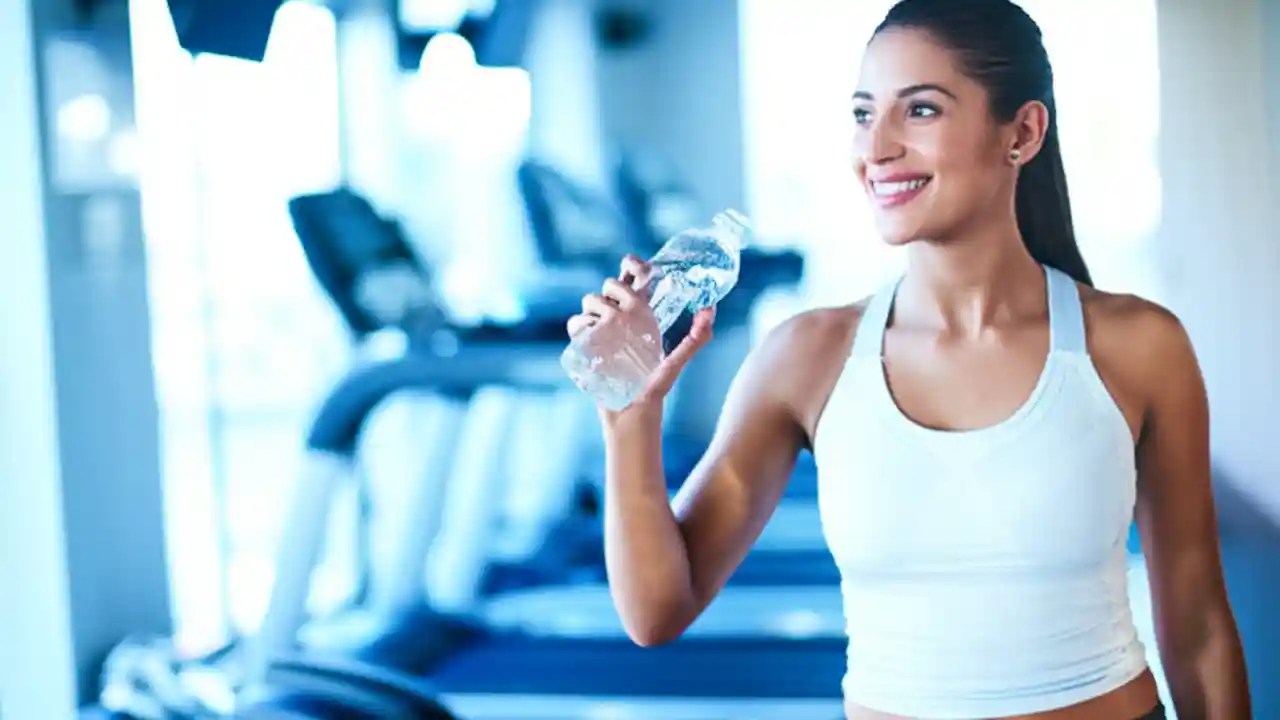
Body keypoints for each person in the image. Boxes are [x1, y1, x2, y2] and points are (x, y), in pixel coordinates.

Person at [565, 0, 1251, 717]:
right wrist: (629, 416)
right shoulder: (806, 357)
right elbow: (655, 611)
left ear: (1022, 132)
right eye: (864, 114)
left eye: (920, 111)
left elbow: (1199, 626)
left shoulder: (1139, 347)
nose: (878, 147)